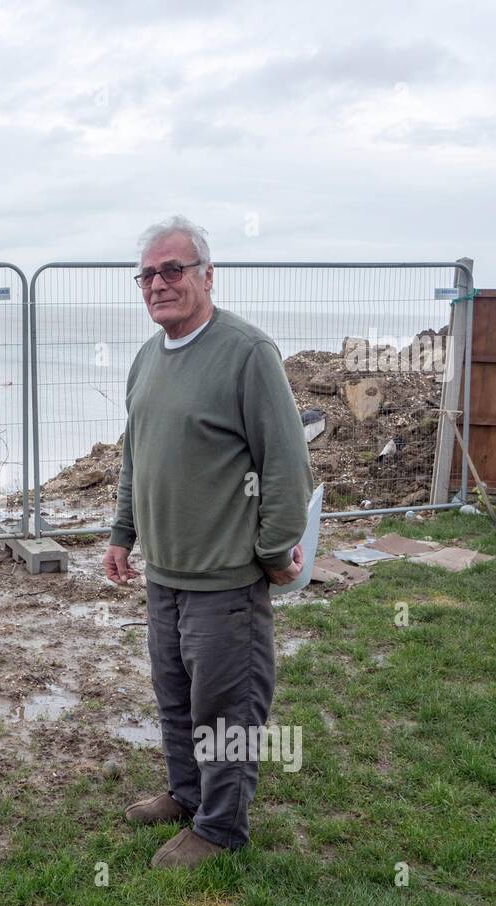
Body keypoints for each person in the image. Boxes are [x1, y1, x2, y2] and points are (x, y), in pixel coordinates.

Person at [103, 215, 313, 868]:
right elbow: (136, 455)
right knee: (175, 696)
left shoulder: (247, 353)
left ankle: (220, 828)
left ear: (206, 276)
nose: (158, 283)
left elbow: (287, 463)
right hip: (163, 574)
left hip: (225, 578)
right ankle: (187, 794)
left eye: (173, 269)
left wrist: (276, 551)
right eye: (148, 273)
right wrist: (122, 532)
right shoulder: (145, 359)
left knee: (225, 708)